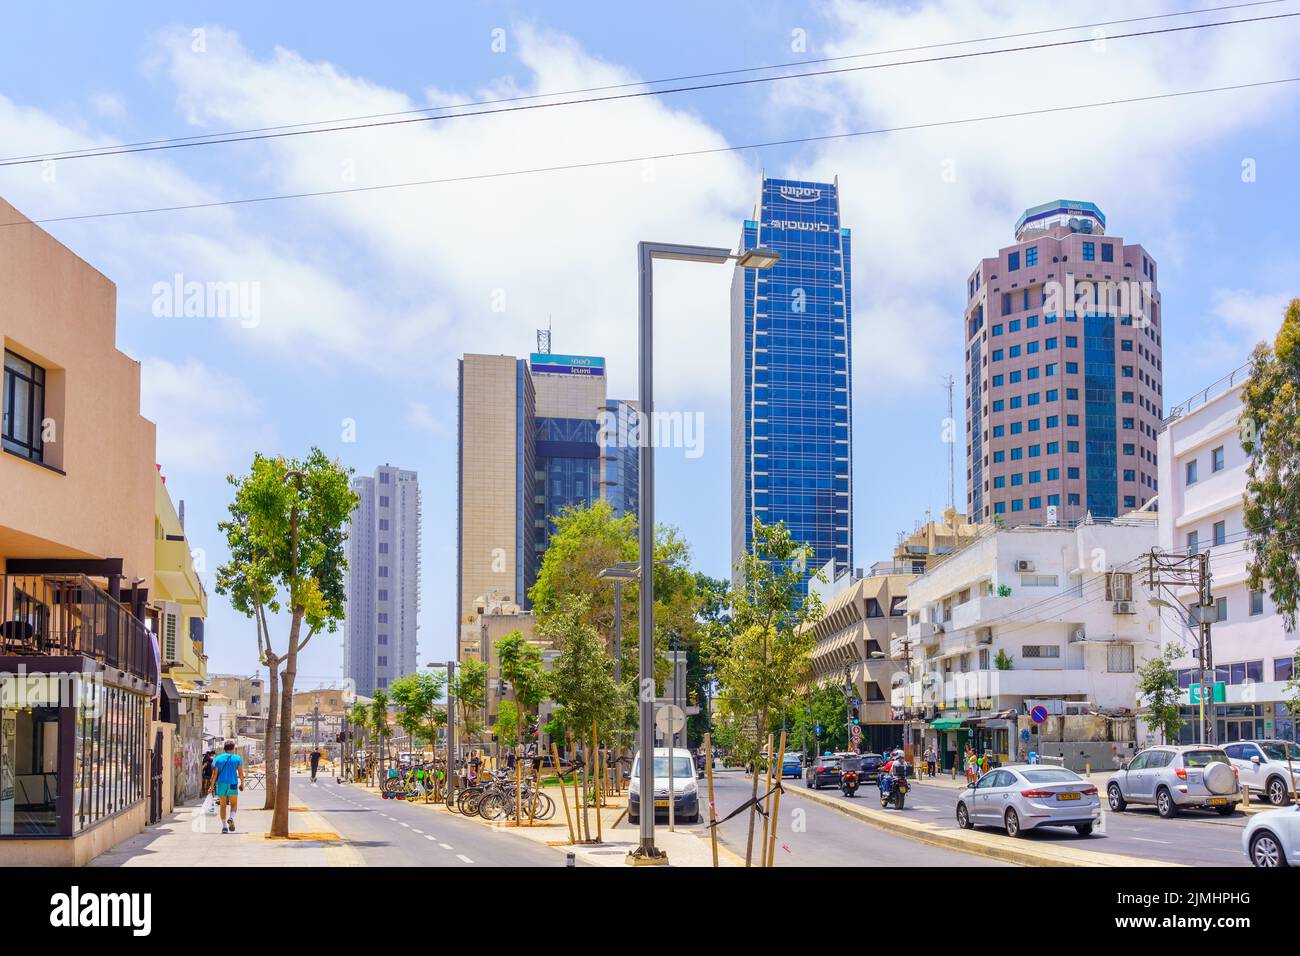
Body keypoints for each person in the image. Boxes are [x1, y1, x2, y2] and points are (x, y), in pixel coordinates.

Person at [209, 739, 245, 834]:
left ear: (224, 749)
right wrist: (242, 783)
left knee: (223, 805)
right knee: (234, 804)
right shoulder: (237, 758)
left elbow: (215, 774)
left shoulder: (218, 759)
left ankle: (224, 827)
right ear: (233, 749)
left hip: (221, 784)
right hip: (233, 783)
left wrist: (211, 786)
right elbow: (241, 773)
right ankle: (231, 818)